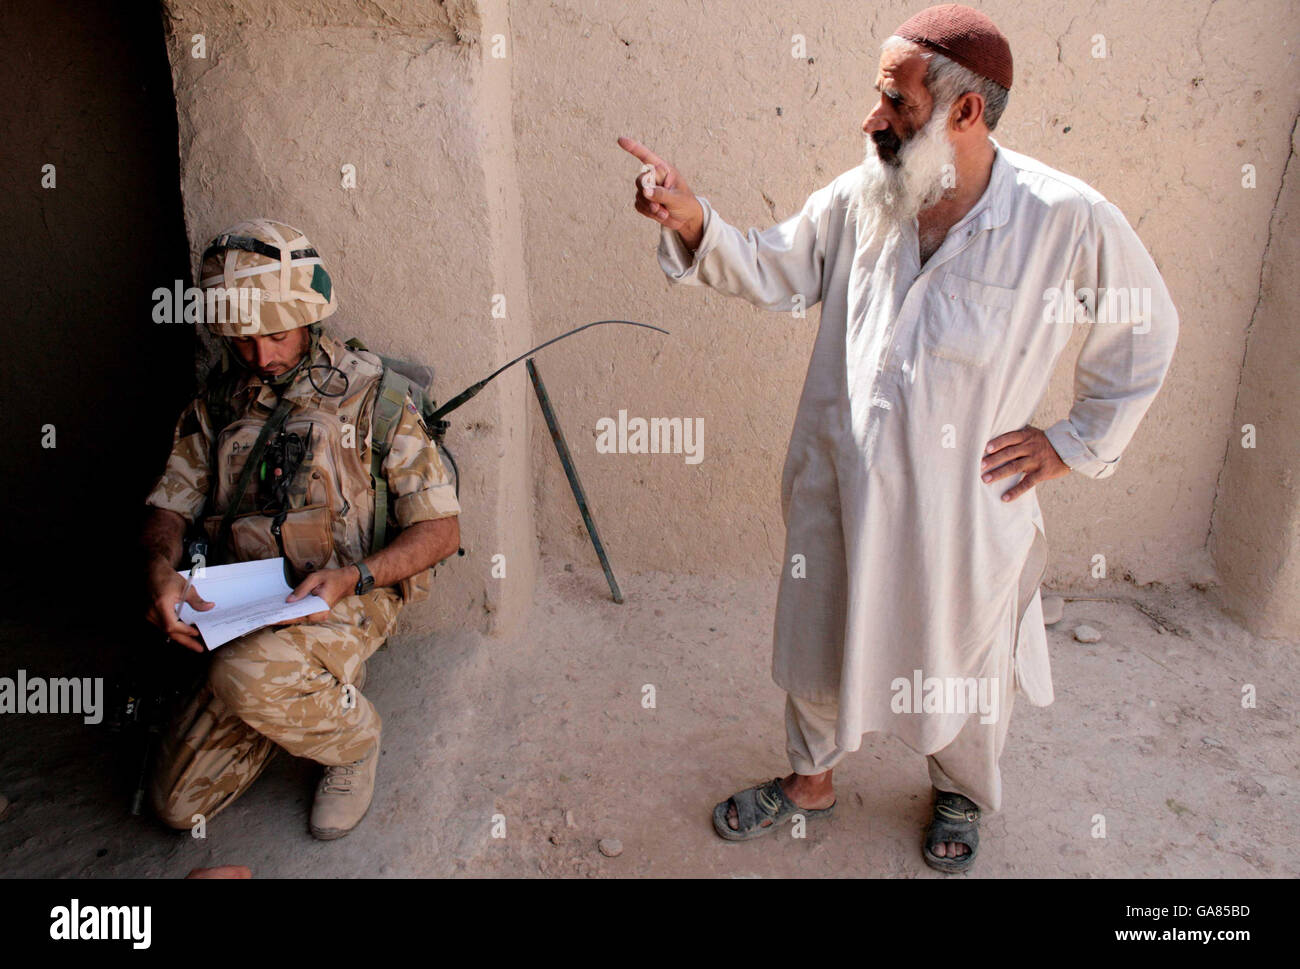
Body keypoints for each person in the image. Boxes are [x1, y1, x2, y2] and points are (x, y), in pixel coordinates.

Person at [620, 3, 1178, 872]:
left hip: (965, 506)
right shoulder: (864, 195)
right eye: (878, 98)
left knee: (962, 653)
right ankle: (811, 779)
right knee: (819, 632)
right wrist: (693, 220)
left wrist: (1074, 440)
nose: (873, 119)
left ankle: (958, 788)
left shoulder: (1063, 218)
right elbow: (779, 267)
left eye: (897, 103)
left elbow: (1147, 331)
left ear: (966, 112)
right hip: (840, 479)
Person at [140, 219, 461, 840]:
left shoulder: (375, 397)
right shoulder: (217, 404)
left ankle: (353, 742)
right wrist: (160, 571)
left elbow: (441, 532)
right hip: (245, 602)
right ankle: (294, 690)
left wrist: (353, 577)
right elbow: (168, 509)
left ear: (310, 317)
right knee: (178, 807)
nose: (262, 356)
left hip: (348, 593)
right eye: (242, 340)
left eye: (277, 335)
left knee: (239, 676)